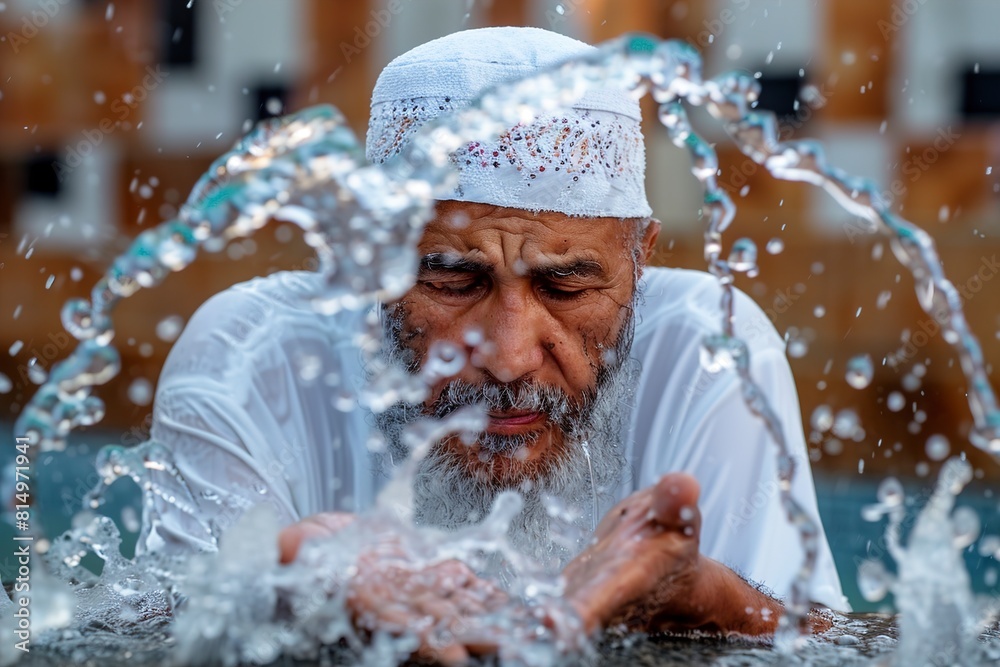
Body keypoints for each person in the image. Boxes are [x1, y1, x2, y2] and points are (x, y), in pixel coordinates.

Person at [143, 25, 845, 658]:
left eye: (565, 289)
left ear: (641, 261)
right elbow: (146, 636)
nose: (509, 356)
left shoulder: (708, 346)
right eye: (453, 282)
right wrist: (280, 586)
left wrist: (710, 598)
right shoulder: (247, 356)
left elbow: (836, 644)